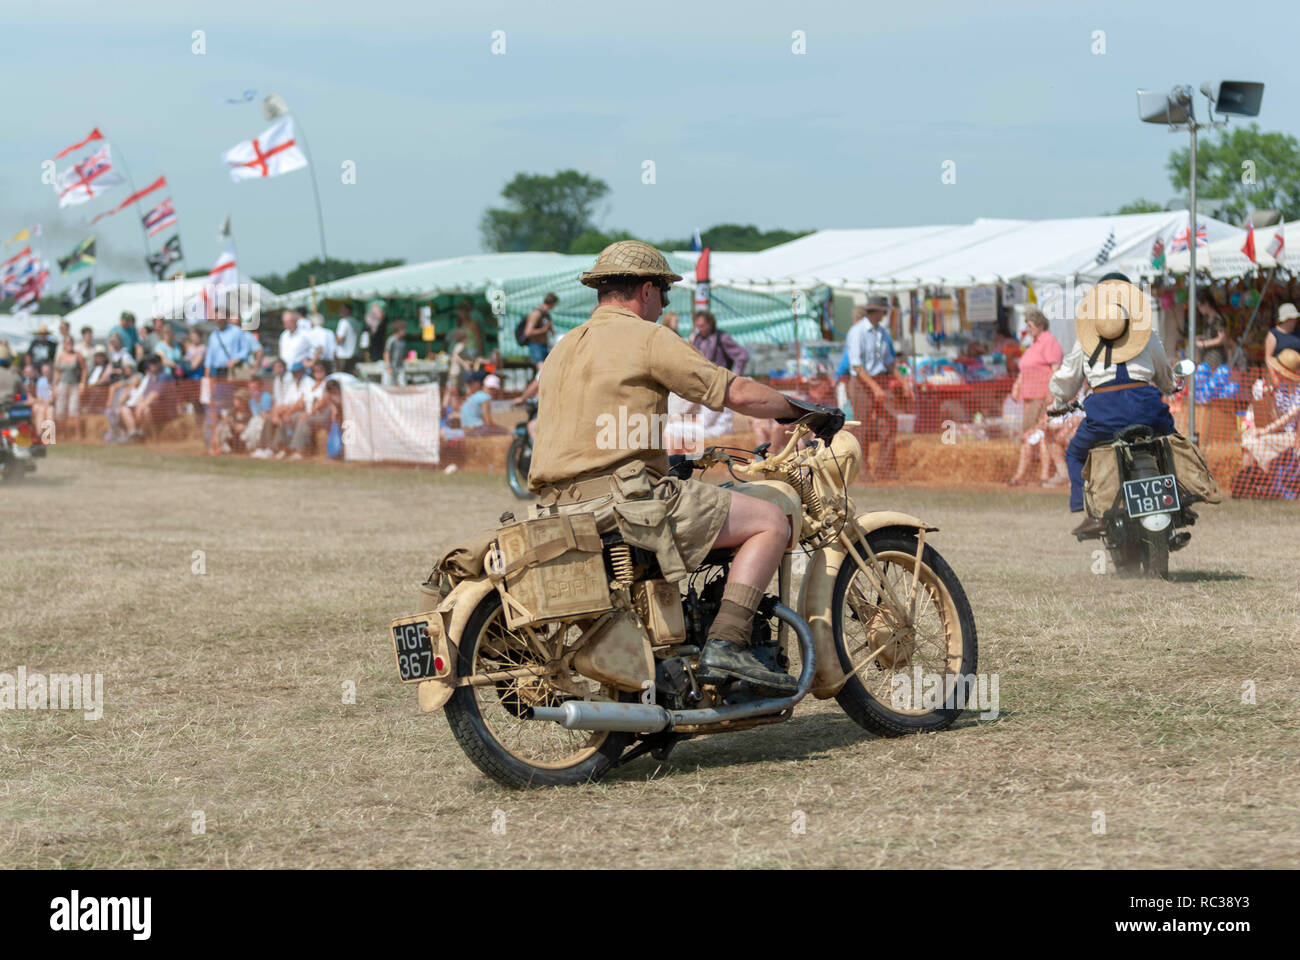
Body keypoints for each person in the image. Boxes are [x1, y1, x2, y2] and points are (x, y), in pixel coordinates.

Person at [528, 240, 811, 694]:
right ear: (646, 291)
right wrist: (797, 410)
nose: (663, 306)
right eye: (664, 294)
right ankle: (728, 643)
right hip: (622, 501)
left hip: (556, 507)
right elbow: (731, 391)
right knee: (770, 521)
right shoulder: (648, 337)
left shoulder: (563, 347)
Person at [1050, 274, 1177, 536]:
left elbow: (1067, 379)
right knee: (1172, 442)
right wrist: (1169, 387)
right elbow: (1165, 375)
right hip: (1147, 406)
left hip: (1105, 412)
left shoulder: (1086, 342)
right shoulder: (1147, 336)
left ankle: (1093, 513)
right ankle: (1181, 494)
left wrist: (1059, 401)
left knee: (1075, 454)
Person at [845, 295, 912, 479]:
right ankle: (862, 470)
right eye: (884, 311)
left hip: (880, 382)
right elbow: (857, 366)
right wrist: (875, 388)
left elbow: (889, 363)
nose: (885, 314)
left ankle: (884, 468)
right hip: (861, 384)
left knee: (890, 423)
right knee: (862, 428)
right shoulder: (856, 332)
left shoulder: (882, 333)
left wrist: (904, 382)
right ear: (878, 311)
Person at [1007, 307, 1063, 486]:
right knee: (1034, 435)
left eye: (1030, 325)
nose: (1028, 329)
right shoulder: (1034, 343)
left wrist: (1051, 393)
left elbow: (1055, 370)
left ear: (1040, 325)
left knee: (1036, 435)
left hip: (1042, 397)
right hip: (1029, 397)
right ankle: (1028, 475)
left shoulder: (1049, 342)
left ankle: (1034, 475)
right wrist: (1017, 386)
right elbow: (1025, 369)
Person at [1242, 348, 1300, 473]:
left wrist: (1265, 430)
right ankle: (1253, 476)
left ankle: (1267, 475)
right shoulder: (1282, 388)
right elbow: (1275, 415)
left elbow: (1288, 417)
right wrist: (1267, 397)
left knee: (1257, 441)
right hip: (1282, 433)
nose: (1276, 373)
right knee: (1248, 438)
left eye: (1279, 371)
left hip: (1295, 437)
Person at [287, 360, 334, 459]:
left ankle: (300, 451)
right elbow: (300, 401)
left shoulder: (327, 384)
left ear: (326, 371)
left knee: (304, 421)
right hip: (309, 413)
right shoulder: (310, 385)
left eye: (320, 370)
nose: (317, 372)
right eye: (315, 370)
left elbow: (322, 403)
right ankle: (283, 448)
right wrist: (288, 413)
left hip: (321, 415)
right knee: (290, 418)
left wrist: (307, 414)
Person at [689, 310, 748, 375]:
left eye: (702, 326)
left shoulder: (722, 338)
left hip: (719, 379)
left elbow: (742, 355)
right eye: (698, 326)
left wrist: (735, 375)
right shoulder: (698, 339)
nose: (700, 329)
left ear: (710, 324)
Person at [52, 336, 84, 438]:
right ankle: (63, 434)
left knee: (74, 410)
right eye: (67, 342)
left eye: (71, 342)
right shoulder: (61, 357)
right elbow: (57, 372)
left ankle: (77, 435)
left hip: (74, 385)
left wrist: (82, 383)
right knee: (60, 410)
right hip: (62, 385)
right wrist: (54, 387)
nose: (69, 344)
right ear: (64, 344)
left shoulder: (77, 355)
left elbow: (84, 369)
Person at [1263, 303, 1300, 388]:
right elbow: (1268, 358)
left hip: (1296, 374)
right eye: (1292, 318)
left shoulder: (1298, 333)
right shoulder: (1273, 334)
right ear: (1285, 319)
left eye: (1295, 318)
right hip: (1280, 376)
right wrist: (1273, 376)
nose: (1295, 320)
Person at [1194, 288, 1231, 369]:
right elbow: (1213, 335)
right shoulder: (1209, 319)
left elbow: (1222, 339)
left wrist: (1204, 344)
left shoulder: (1217, 319)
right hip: (1206, 358)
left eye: (1200, 306)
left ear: (1206, 304)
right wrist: (1202, 337)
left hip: (1215, 359)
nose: (1199, 309)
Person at [523, 293, 558, 365]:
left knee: (545, 371)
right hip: (536, 346)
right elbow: (528, 332)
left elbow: (551, 331)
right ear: (553, 304)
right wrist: (543, 330)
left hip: (544, 346)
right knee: (541, 372)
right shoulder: (536, 314)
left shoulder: (546, 314)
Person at [334, 303, 359, 373]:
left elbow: (340, 339)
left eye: (342, 309)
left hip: (343, 356)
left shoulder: (343, 322)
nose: (340, 311)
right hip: (354, 355)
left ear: (347, 311)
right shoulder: (357, 322)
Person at [382, 320, 408, 387]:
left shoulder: (403, 341)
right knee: (388, 387)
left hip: (399, 367)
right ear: (398, 330)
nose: (405, 331)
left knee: (403, 385)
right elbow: (386, 353)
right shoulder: (391, 340)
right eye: (403, 329)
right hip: (391, 367)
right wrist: (388, 367)